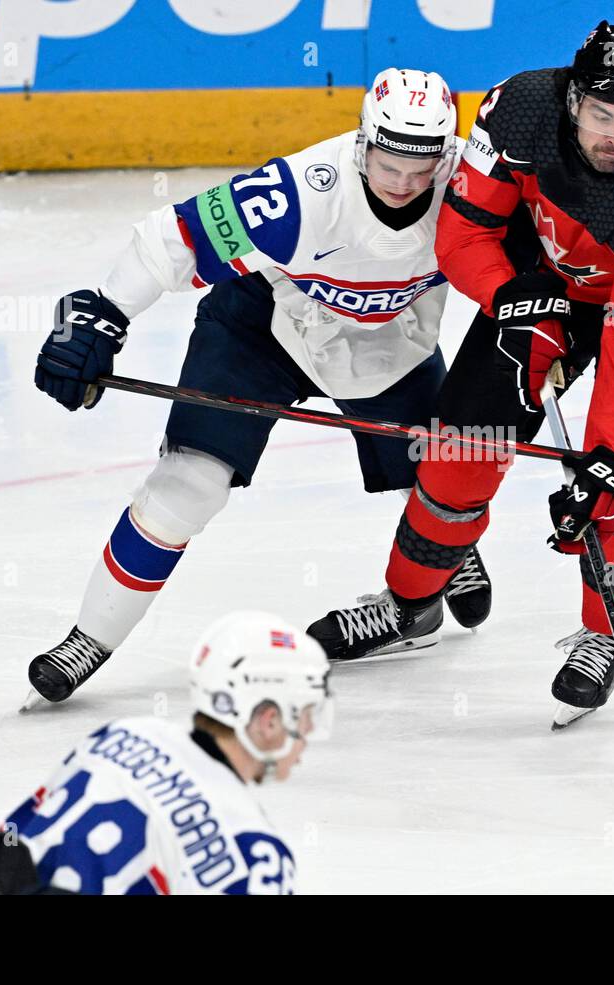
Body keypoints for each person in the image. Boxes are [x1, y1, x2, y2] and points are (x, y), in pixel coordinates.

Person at [306, 23, 614, 728]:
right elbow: (467, 232)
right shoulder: (517, 107)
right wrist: (506, 293)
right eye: (603, 114)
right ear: (572, 101)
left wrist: (602, 460)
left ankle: (605, 638)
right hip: (551, 279)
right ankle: (410, 603)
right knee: (462, 447)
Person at [26, 67, 492, 705]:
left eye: (423, 166)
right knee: (187, 486)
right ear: (362, 142)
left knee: (445, 474)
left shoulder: (472, 192)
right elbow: (173, 239)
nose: (406, 183)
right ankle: (89, 638)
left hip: (386, 337)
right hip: (261, 328)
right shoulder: (300, 195)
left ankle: (429, 572)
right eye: (389, 162)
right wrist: (102, 312)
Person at [0, 611, 331, 895]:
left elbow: (5, 849)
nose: (310, 732)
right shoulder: (256, 851)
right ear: (265, 719)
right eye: (306, 713)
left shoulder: (123, 734)